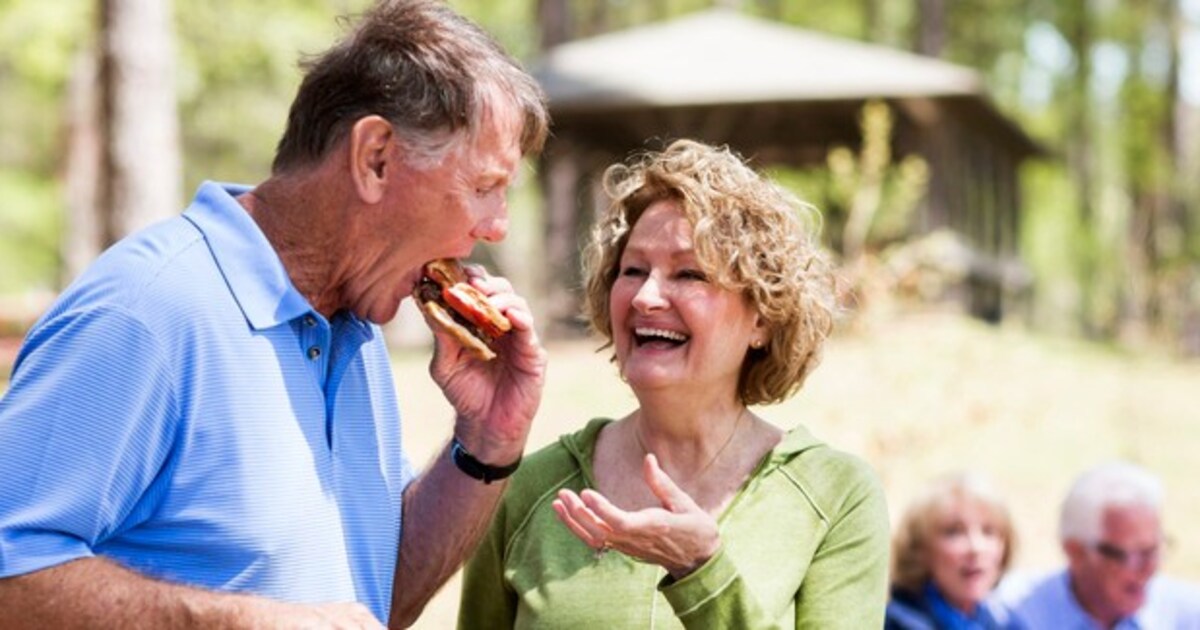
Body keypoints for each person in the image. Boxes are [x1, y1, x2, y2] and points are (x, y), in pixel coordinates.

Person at [0, 1, 550, 627]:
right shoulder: (146, 313)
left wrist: (486, 440)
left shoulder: (357, 330)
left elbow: (373, 601)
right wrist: (236, 622)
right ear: (376, 157)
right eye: (483, 186)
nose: (498, 227)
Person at [458, 139, 890, 629]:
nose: (645, 296)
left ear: (763, 319)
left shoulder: (834, 495)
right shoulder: (528, 489)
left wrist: (702, 572)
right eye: (633, 270)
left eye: (689, 274)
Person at [1004, 461, 1200, 629]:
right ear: (1076, 552)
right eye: (1131, 556)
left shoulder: (1189, 617)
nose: (1149, 568)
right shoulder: (1016, 617)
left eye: (1153, 550)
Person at [885, 472, 1018, 629]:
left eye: (988, 531)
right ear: (919, 548)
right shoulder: (896, 623)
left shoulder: (1006, 622)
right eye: (954, 532)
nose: (976, 548)